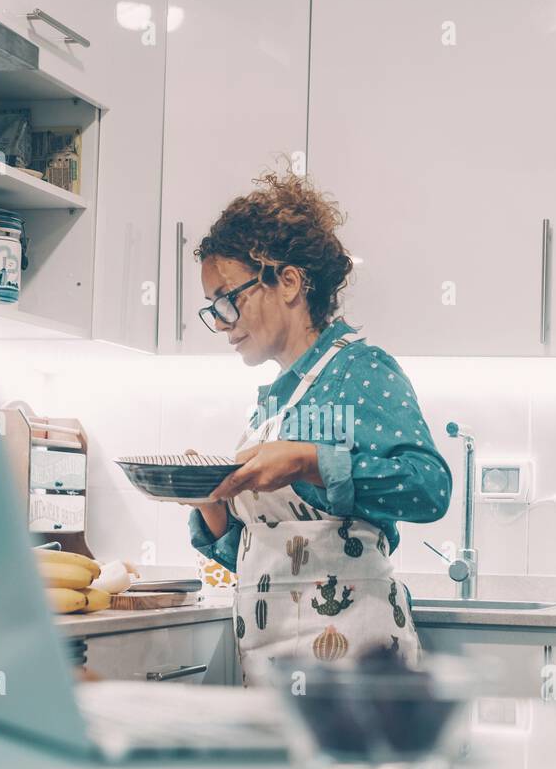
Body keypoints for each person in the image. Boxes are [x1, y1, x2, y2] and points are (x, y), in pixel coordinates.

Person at [187, 170, 451, 685]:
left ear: (287, 282)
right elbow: (260, 551)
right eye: (212, 308)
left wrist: (310, 462)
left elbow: (429, 487)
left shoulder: (360, 369)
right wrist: (210, 501)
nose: (221, 322)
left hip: (356, 661)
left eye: (227, 299)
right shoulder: (273, 404)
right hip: (268, 656)